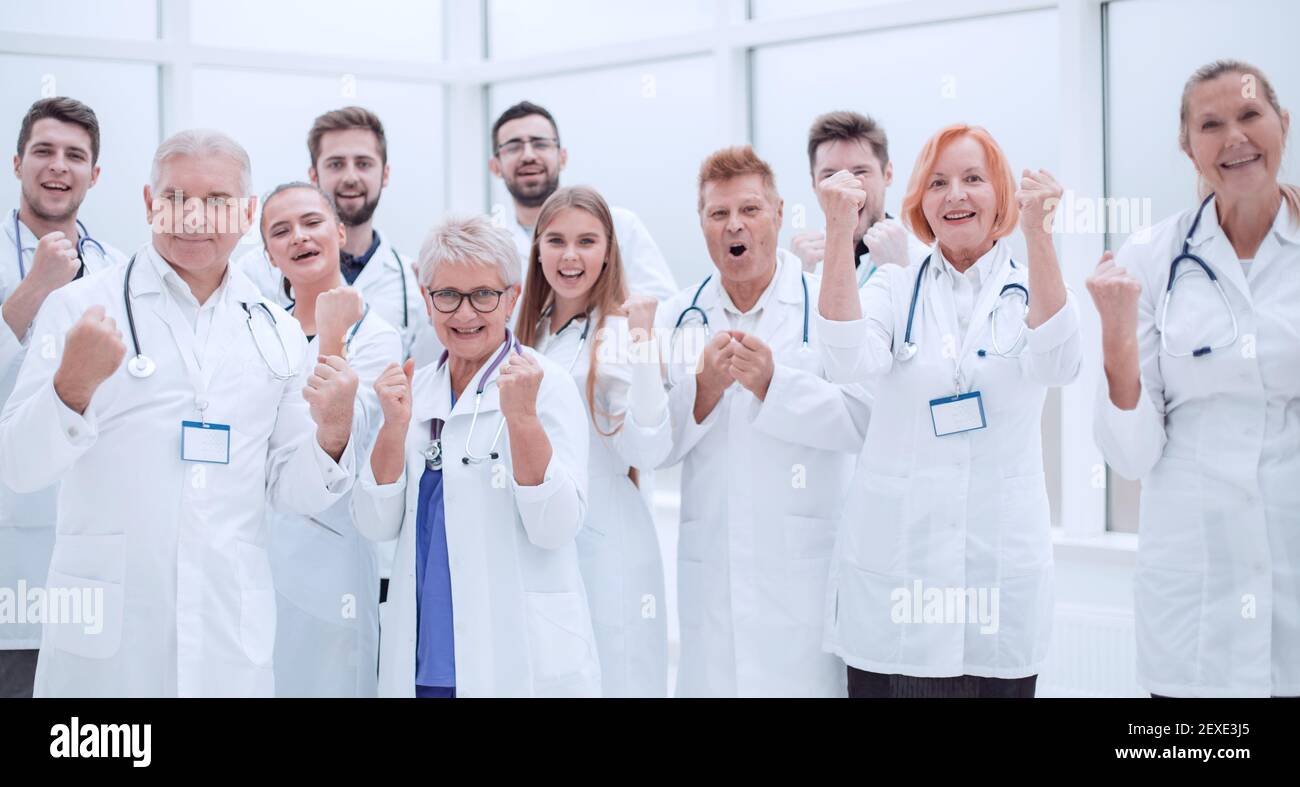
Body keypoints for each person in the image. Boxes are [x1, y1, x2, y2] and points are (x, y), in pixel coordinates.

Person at [0, 130, 360, 697]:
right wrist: (70, 387)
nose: (193, 216)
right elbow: (18, 468)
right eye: (175, 198)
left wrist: (334, 431)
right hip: (107, 635)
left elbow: (294, 492)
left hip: (226, 631)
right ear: (149, 204)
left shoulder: (279, 330)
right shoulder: (77, 306)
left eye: (217, 201)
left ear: (245, 214)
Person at [816, 123, 1082, 698]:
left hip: (996, 577)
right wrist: (839, 233)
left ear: (1001, 198)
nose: (955, 195)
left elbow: (1059, 364)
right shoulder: (894, 286)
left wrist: (1039, 235)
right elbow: (842, 359)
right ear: (921, 203)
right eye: (937, 183)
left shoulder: (1031, 286)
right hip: (899, 583)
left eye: (972, 179)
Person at [1088, 60, 1299, 698]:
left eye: (1249, 114)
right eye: (1211, 124)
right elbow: (1130, 454)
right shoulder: (1151, 257)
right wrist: (1117, 333)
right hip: (1194, 575)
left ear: (1282, 124)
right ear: (1188, 146)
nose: (1234, 137)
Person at [654, 146, 870, 697]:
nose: (735, 226)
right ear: (701, 224)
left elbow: (859, 421)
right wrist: (701, 389)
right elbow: (655, 445)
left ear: (778, 213)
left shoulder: (828, 303)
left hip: (802, 573)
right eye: (718, 213)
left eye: (750, 210)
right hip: (715, 576)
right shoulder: (679, 315)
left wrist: (774, 386)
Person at [352, 214, 598, 697]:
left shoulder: (546, 384)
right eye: (447, 295)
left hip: (517, 654)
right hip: (426, 654)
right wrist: (393, 428)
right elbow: (374, 523)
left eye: (483, 295)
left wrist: (523, 420)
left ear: (511, 297)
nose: (465, 313)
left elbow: (556, 527)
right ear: (426, 300)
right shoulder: (413, 390)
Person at [516, 186, 671, 697]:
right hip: (540, 539)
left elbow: (647, 451)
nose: (570, 256)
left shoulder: (623, 333)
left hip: (609, 542)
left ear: (609, 251)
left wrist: (646, 346)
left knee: (617, 677)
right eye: (556, 240)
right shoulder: (527, 334)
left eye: (587, 241)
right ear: (537, 249)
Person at [0, 97, 128, 698]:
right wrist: (36, 288)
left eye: (75, 155)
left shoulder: (121, 272)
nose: (59, 166)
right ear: (18, 162)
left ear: (94, 174)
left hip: (94, 537)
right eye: (44, 152)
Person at [259, 182, 402, 698]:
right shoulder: (260, 328)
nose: (299, 236)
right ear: (270, 252)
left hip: (332, 554)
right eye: (281, 230)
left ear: (340, 231)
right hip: (258, 548)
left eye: (312, 222)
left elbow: (346, 432)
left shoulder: (375, 334)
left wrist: (334, 333)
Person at [239, 106, 436, 366]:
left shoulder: (413, 285)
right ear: (313, 175)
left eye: (363, 164)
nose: (350, 177)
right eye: (336, 164)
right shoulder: (255, 274)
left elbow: (420, 378)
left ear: (385, 173)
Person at [488, 101, 677, 301]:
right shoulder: (489, 245)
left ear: (562, 158)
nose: (528, 155)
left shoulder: (621, 226)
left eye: (540, 144)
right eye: (513, 147)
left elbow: (662, 307)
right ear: (495, 166)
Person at [789, 111, 927, 284]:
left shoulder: (921, 256)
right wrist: (793, 282)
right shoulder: (798, 265)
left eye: (861, 171)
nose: (845, 187)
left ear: (888, 174)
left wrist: (901, 273)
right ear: (814, 184)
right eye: (830, 175)